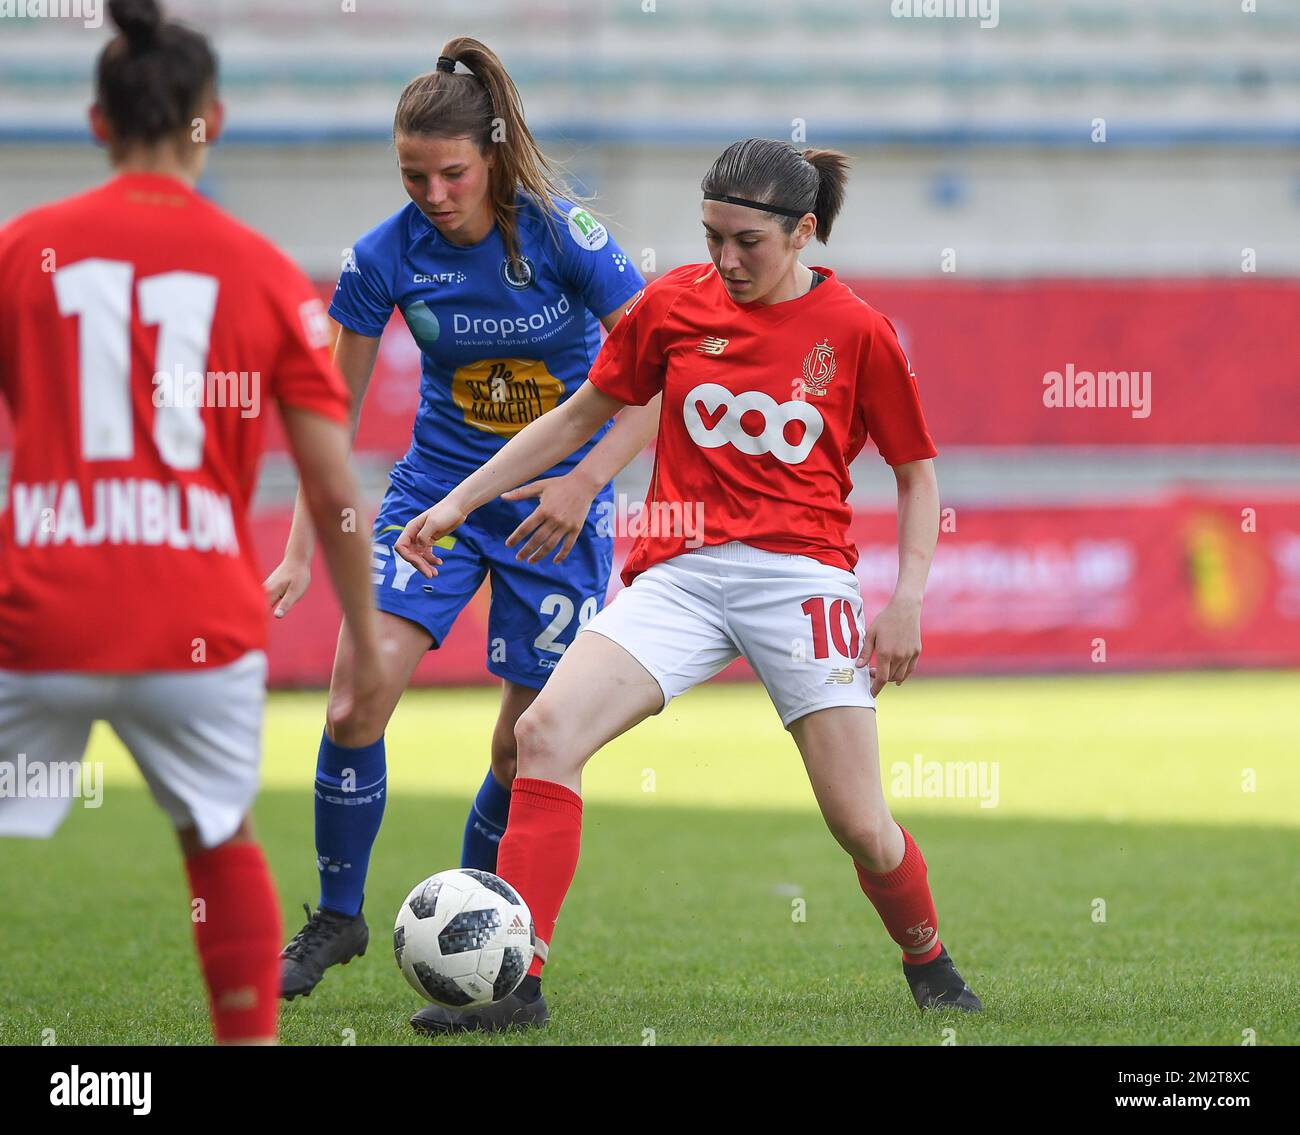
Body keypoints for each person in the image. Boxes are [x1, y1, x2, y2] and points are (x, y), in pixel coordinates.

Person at [396, 137, 983, 1033]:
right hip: (679, 570)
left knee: (861, 823)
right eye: (712, 235)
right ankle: (520, 986)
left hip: (802, 578)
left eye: (747, 241)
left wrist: (906, 601)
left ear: (804, 232)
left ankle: (929, 959)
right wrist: (457, 501)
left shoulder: (858, 331)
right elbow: (578, 417)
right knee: (543, 732)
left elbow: (916, 473)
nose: (725, 259)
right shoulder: (671, 304)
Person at [0, 0, 381, 1045]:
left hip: (39, 616)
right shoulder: (257, 269)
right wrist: (373, 636)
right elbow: (333, 485)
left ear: (94, 122)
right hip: (198, 623)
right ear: (210, 118)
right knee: (221, 844)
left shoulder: (21, 248)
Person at [268, 36, 657, 1006]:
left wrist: (585, 482)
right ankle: (337, 913)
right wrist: (296, 551)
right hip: (432, 502)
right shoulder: (383, 256)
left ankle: (490, 924)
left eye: (450, 173)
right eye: (412, 174)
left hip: (550, 516)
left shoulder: (565, 237)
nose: (433, 194)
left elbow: (658, 374)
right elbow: (331, 411)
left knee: (520, 747)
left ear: (489, 158)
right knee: (357, 697)